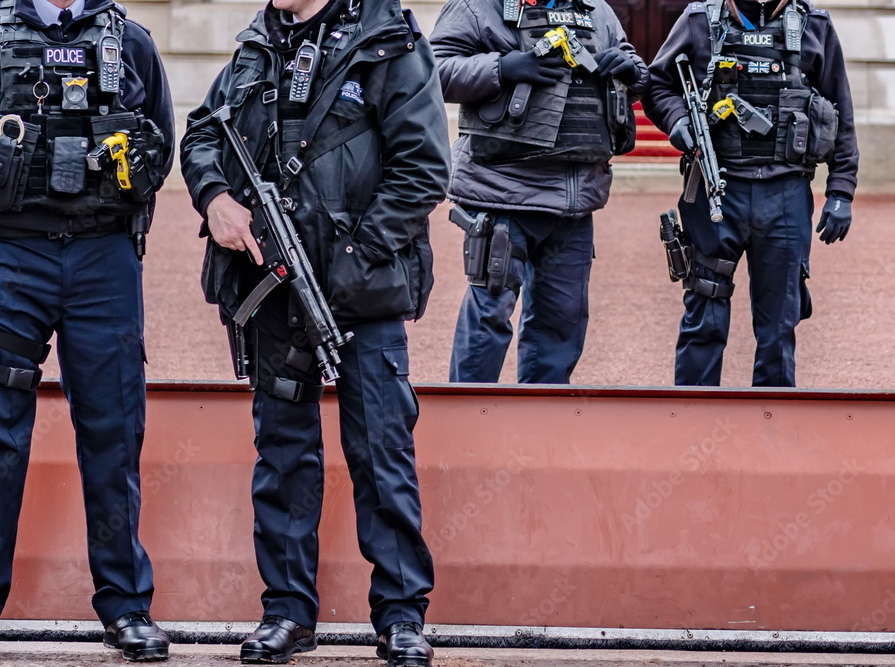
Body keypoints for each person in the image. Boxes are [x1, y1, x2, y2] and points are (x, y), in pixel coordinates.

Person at [179, 0, 449, 662]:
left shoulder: (388, 42)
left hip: (363, 293)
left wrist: (352, 262)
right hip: (273, 289)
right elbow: (202, 133)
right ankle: (288, 612)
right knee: (283, 456)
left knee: (381, 453)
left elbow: (422, 171)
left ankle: (400, 615)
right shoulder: (256, 46)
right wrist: (215, 197)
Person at [0, 0, 175, 659]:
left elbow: (160, 146)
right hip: (8, 257)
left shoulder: (132, 42)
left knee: (114, 433)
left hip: (104, 258)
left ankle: (127, 607)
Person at [430, 0, 649, 384]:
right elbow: (431, 70)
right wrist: (501, 68)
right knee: (489, 316)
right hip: (502, 192)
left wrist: (632, 70)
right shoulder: (478, 6)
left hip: (575, 199)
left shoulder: (596, 9)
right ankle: (470, 413)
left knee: (562, 323)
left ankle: (543, 416)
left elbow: (635, 74)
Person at [644, 0, 858, 386]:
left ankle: (771, 419)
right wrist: (676, 119)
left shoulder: (815, 25)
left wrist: (841, 189)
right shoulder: (699, 19)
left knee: (779, 326)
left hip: (786, 194)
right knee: (704, 318)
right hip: (715, 190)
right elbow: (657, 83)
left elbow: (840, 108)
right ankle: (693, 415)